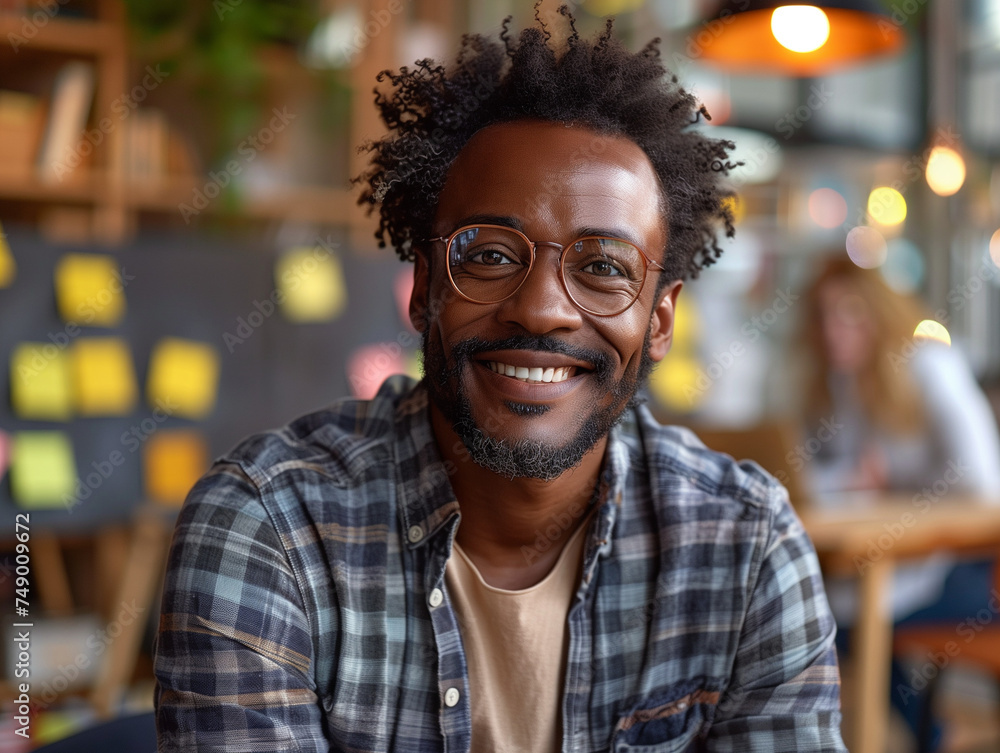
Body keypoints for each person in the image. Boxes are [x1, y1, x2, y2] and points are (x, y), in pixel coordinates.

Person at [154, 11, 845, 752]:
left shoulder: (746, 546)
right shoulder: (271, 533)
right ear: (425, 287)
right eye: (488, 255)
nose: (541, 309)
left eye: (603, 267)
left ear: (660, 321)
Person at [800, 256, 1000, 749]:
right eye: (822, 316)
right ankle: (930, 735)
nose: (833, 330)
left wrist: (897, 493)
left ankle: (931, 735)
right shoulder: (846, 386)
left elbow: (983, 486)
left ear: (879, 312)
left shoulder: (929, 366)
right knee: (822, 611)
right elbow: (827, 474)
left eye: (848, 313)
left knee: (840, 620)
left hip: (969, 567)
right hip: (897, 562)